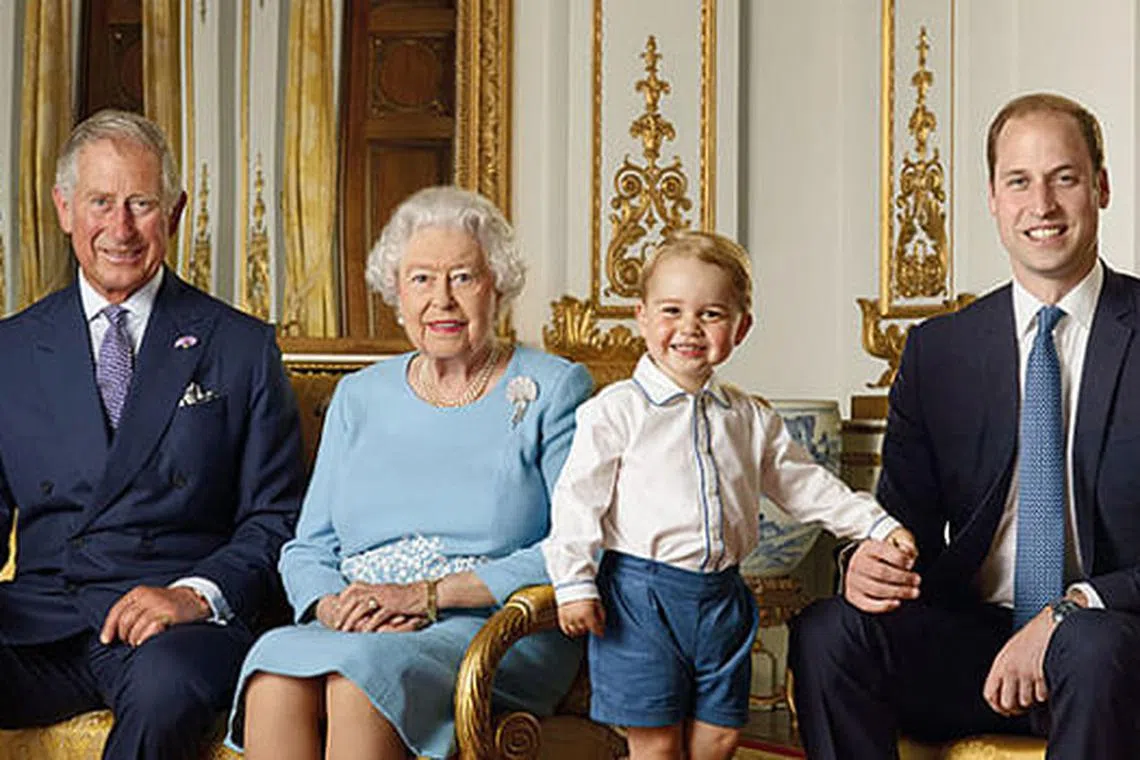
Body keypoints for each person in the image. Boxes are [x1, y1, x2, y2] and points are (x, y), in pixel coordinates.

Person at [789, 92, 1140, 760]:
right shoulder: (939, 350)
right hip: (975, 646)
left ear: (1101, 186)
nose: (1042, 204)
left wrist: (1072, 608)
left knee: (1095, 648)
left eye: (1063, 178)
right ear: (993, 199)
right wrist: (865, 563)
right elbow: (902, 525)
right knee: (829, 631)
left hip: (1112, 642)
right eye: (1019, 182)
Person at [227, 185, 595, 759]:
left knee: (359, 680)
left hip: (492, 625)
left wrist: (427, 596)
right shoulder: (359, 396)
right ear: (396, 294)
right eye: (422, 279)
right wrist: (333, 607)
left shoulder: (552, 388)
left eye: (463, 278)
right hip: (361, 621)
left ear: (497, 287)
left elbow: (572, 543)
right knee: (273, 674)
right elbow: (307, 548)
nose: (441, 300)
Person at [542, 230, 917, 760]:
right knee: (657, 742)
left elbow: (805, 486)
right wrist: (574, 582)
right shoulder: (616, 410)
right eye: (671, 310)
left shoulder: (747, 416)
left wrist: (873, 525)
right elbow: (578, 501)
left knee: (719, 736)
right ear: (642, 317)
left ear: (740, 328)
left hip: (722, 598)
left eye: (712, 314)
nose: (689, 328)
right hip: (642, 598)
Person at [0, 109, 305, 759]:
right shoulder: (11, 349)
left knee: (166, 693)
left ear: (175, 211)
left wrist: (194, 596)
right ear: (63, 208)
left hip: (172, 628)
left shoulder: (242, 348)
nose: (120, 228)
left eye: (141, 203)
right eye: (100, 202)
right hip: (40, 622)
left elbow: (276, 520)